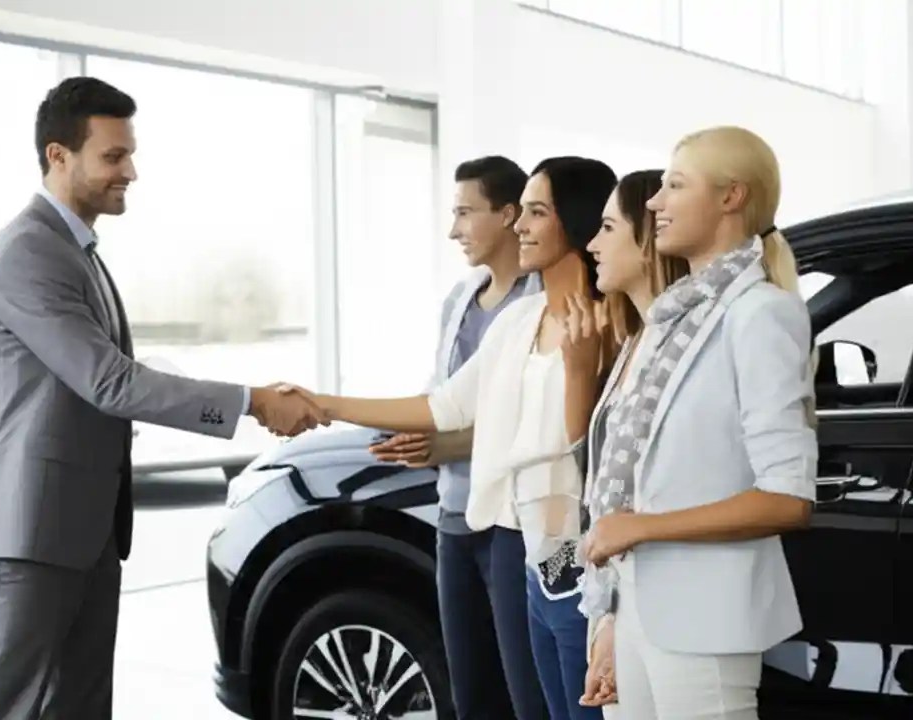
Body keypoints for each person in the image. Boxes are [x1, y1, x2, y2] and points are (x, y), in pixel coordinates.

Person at [0, 76, 325, 719]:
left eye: (130, 154)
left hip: (81, 533)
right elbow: (110, 380)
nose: (131, 172)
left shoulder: (77, 250)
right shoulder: (27, 252)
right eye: (113, 157)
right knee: (2, 710)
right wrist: (252, 401)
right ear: (57, 157)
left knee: (84, 709)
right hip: (23, 535)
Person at [286, 157, 619, 720]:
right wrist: (321, 404)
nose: (520, 227)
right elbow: (443, 405)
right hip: (518, 537)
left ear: (579, 222)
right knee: (528, 707)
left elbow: (589, 455)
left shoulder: (613, 325)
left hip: (572, 544)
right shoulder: (520, 319)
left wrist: (583, 371)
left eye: (536, 212)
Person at [577, 127, 817, 719]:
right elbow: (633, 474)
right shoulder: (672, 318)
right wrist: (613, 618)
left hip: (706, 622)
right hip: (638, 610)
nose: (655, 202)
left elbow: (787, 498)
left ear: (731, 197)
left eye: (674, 185)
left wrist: (641, 528)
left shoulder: (761, 314)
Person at [371, 156, 549, 720]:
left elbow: (530, 419)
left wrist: (442, 446)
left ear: (508, 214)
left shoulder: (541, 303)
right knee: (472, 692)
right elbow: (443, 395)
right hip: (455, 515)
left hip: (513, 522)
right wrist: (407, 436)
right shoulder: (461, 298)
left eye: (465, 212)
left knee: (529, 694)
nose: (455, 229)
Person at [565, 169, 691, 708]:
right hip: (620, 600)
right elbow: (600, 481)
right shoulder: (634, 342)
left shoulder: (680, 346)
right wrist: (606, 620)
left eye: (607, 228)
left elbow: (654, 489)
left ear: (647, 241)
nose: (592, 244)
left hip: (666, 602)